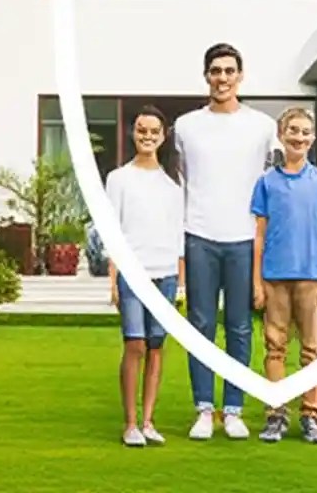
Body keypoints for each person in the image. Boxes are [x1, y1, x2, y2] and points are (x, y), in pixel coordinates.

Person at [174, 42, 282, 441]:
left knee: (239, 327)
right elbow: (185, 178)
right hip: (200, 235)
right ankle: (204, 408)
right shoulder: (186, 126)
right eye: (215, 71)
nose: (222, 78)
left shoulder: (262, 126)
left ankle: (233, 409)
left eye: (229, 71)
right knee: (200, 325)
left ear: (240, 75)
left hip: (243, 239)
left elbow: (272, 184)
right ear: (206, 76)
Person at [251, 106, 317, 445]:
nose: (299, 137)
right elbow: (259, 235)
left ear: (313, 138)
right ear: (281, 134)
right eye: (293, 131)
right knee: (275, 348)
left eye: (305, 132)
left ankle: (311, 415)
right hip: (275, 277)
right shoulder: (266, 183)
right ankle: (275, 414)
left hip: (312, 276)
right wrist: (257, 281)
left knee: (311, 351)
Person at [105, 106, 185, 447]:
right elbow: (112, 231)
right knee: (134, 344)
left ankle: (149, 421)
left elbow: (178, 234)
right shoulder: (118, 178)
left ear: (163, 136)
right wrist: (112, 279)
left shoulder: (173, 184)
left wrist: (181, 281)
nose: (147, 136)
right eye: (141, 130)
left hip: (165, 273)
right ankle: (130, 423)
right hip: (132, 274)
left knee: (156, 347)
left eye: (154, 131)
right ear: (133, 133)